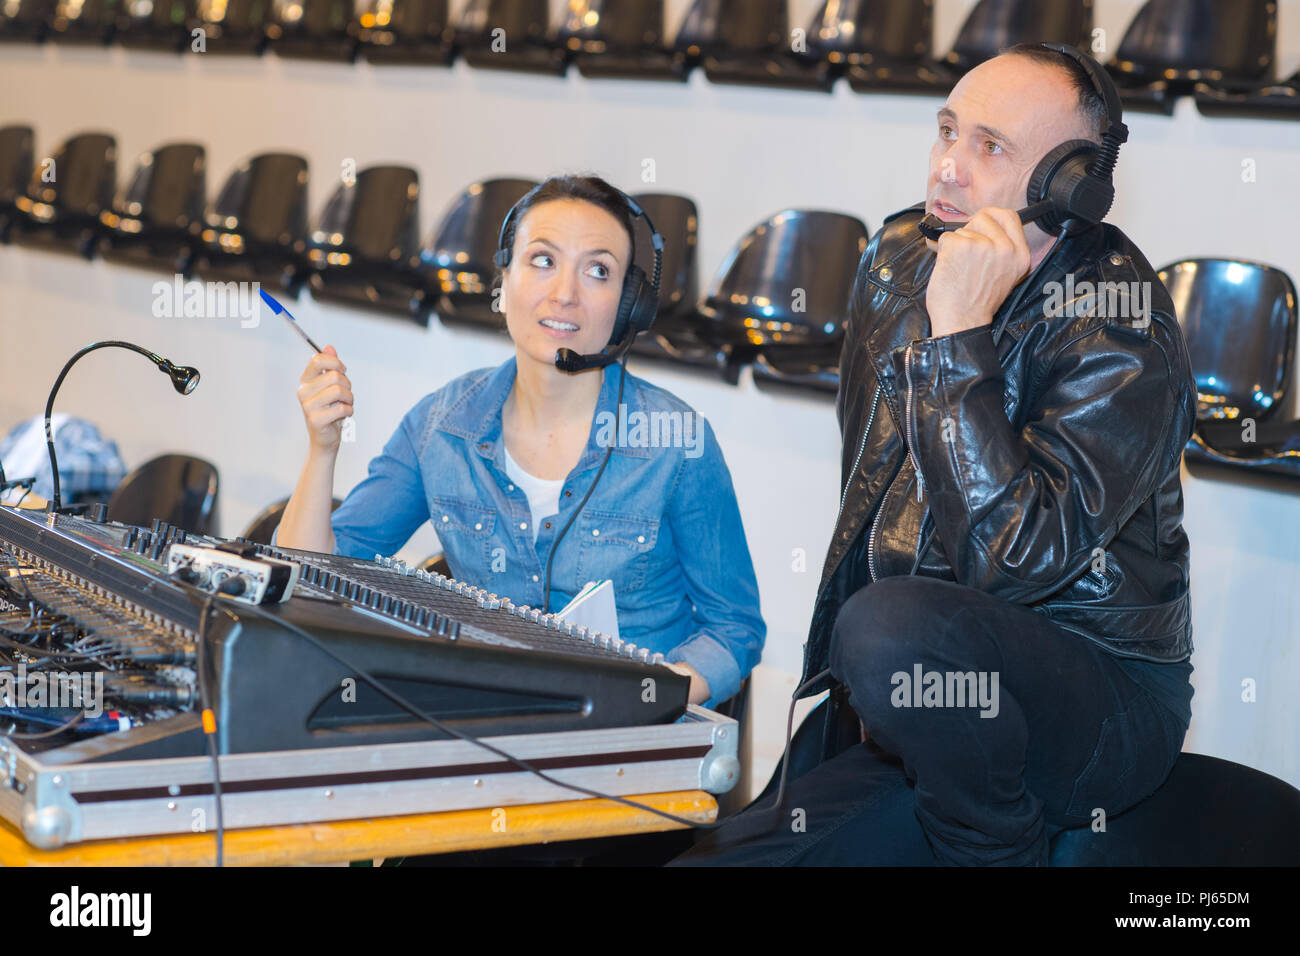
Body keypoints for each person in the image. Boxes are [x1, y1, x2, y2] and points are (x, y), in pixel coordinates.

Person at [673, 43, 1197, 865]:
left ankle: (996, 853)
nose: (948, 166)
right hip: (916, 669)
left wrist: (958, 333)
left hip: (1095, 689)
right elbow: (872, 497)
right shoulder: (897, 258)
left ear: (1071, 185)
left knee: (887, 626)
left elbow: (1012, 562)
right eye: (947, 131)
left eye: (990, 147)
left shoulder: (1121, 329)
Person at [274, 175, 764, 708]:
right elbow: (312, 581)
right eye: (543, 260)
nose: (565, 294)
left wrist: (650, 696)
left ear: (628, 306)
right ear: (503, 283)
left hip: (630, 732)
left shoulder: (678, 443)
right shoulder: (440, 425)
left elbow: (733, 629)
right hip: (494, 719)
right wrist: (322, 449)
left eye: (597, 271)